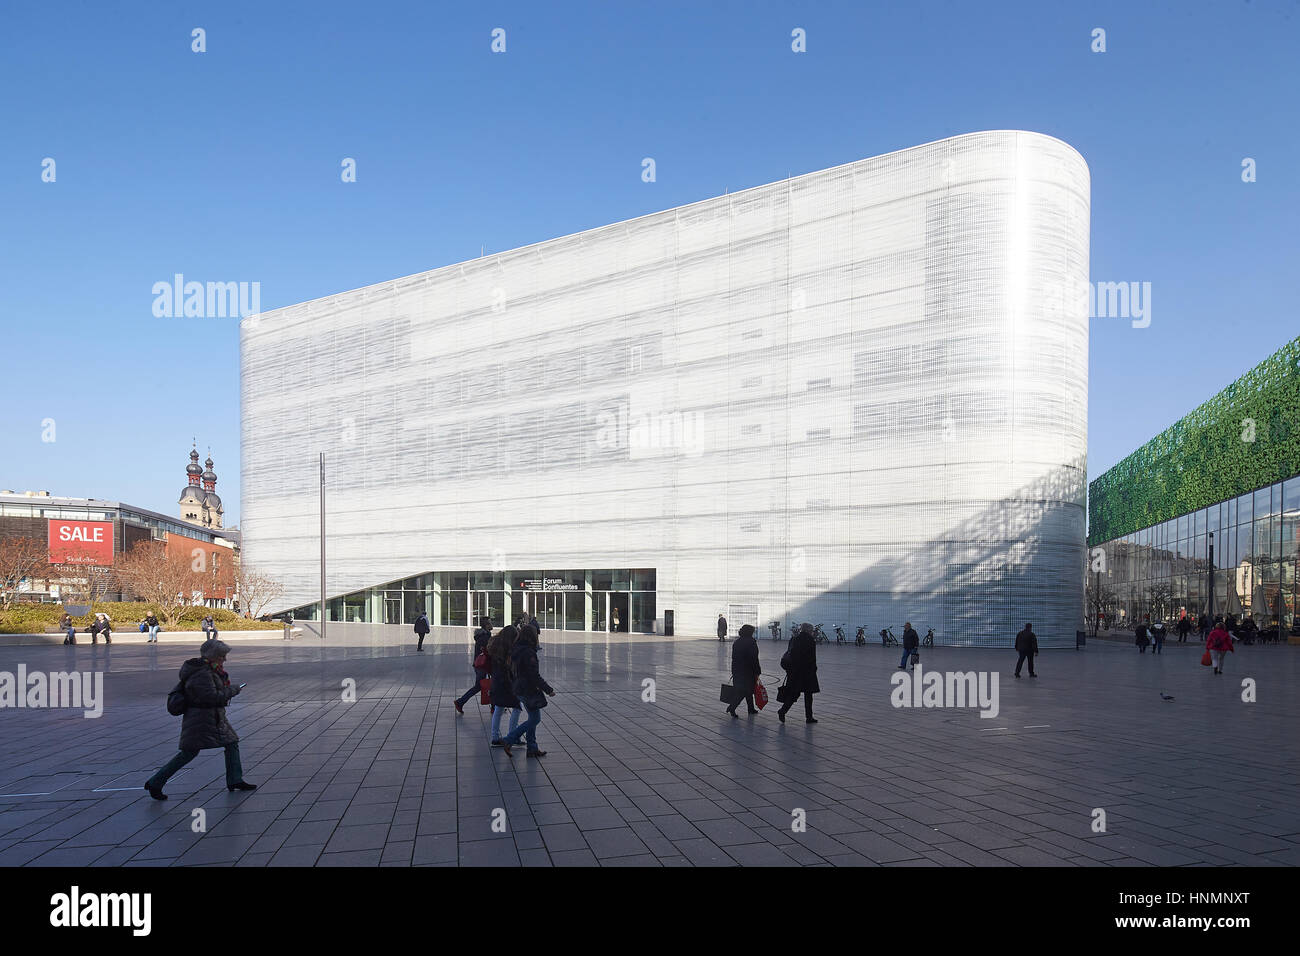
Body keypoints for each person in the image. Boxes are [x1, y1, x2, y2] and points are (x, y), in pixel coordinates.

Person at [144, 639, 256, 799]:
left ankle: (235, 779)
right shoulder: (202, 673)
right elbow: (209, 696)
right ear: (213, 656)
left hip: (212, 717)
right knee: (189, 752)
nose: (225, 659)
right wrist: (233, 690)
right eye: (222, 656)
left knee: (231, 743)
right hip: (201, 719)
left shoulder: (210, 670)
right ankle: (156, 782)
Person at [501, 624, 556, 758]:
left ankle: (532, 747)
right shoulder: (528, 652)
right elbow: (534, 675)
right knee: (535, 719)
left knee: (533, 717)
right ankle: (509, 739)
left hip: (519, 688)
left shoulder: (516, 649)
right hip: (528, 689)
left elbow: (512, 670)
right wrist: (548, 690)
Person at [487, 625, 522, 746]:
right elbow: (510, 669)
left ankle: (495, 737)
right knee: (517, 708)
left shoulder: (495, 646)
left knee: (499, 708)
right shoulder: (508, 650)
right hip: (507, 683)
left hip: (497, 682)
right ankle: (512, 736)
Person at [777, 622, 819, 723]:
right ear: (808, 630)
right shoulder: (810, 640)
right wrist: (813, 669)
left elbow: (790, 654)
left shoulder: (794, 639)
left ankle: (783, 711)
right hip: (807, 672)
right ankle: (809, 717)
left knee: (794, 693)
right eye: (812, 630)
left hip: (795, 671)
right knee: (808, 695)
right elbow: (812, 658)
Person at [455, 617, 493, 714]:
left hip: (480, 664)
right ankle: (460, 702)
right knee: (480, 686)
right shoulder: (485, 637)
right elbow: (488, 651)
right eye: (490, 623)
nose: (492, 624)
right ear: (486, 625)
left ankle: (495, 706)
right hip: (483, 665)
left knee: (488, 684)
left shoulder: (483, 635)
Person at [725, 623, 761, 717]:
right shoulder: (751, 642)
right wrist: (757, 670)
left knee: (746, 690)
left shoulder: (737, 642)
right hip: (748, 670)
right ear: (750, 632)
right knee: (745, 691)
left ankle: (751, 708)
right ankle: (732, 707)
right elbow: (754, 658)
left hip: (737, 669)